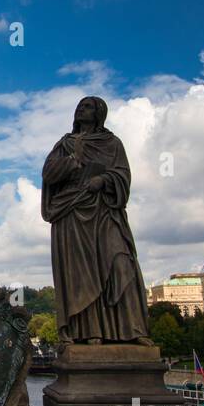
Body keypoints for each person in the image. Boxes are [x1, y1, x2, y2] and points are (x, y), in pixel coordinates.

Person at [41, 96, 152, 345]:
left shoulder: (112, 143)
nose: (82, 108)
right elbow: (48, 174)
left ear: (99, 113)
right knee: (82, 273)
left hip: (104, 210)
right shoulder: (66, 143)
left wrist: (103, 181)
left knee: (121, 261)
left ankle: (133, 330)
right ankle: (91, 332)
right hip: (72, 212)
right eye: (79, 105)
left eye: (88, 106)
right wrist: (72, 161)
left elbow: (123, 174)